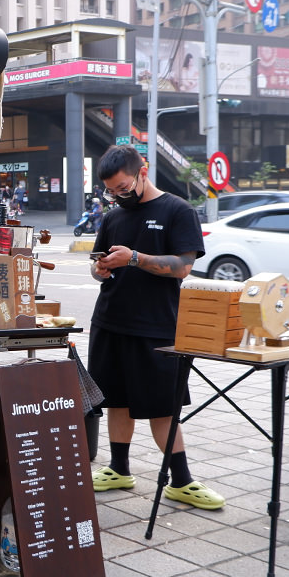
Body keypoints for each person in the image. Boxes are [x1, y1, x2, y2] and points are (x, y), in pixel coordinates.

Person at [88, 144, 225, 509]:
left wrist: (135, 258)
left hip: (157, 326)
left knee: (163, 406)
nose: (118, 196)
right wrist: (99, 269)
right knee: (114, 399)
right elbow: (97, 263)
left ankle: (181, 480)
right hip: (109, 320)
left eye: (123, 187)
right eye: (111, 191)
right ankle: (119, 468)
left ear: (143, 171)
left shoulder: (177, 210)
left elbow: (182, 266)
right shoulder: (113, 217)